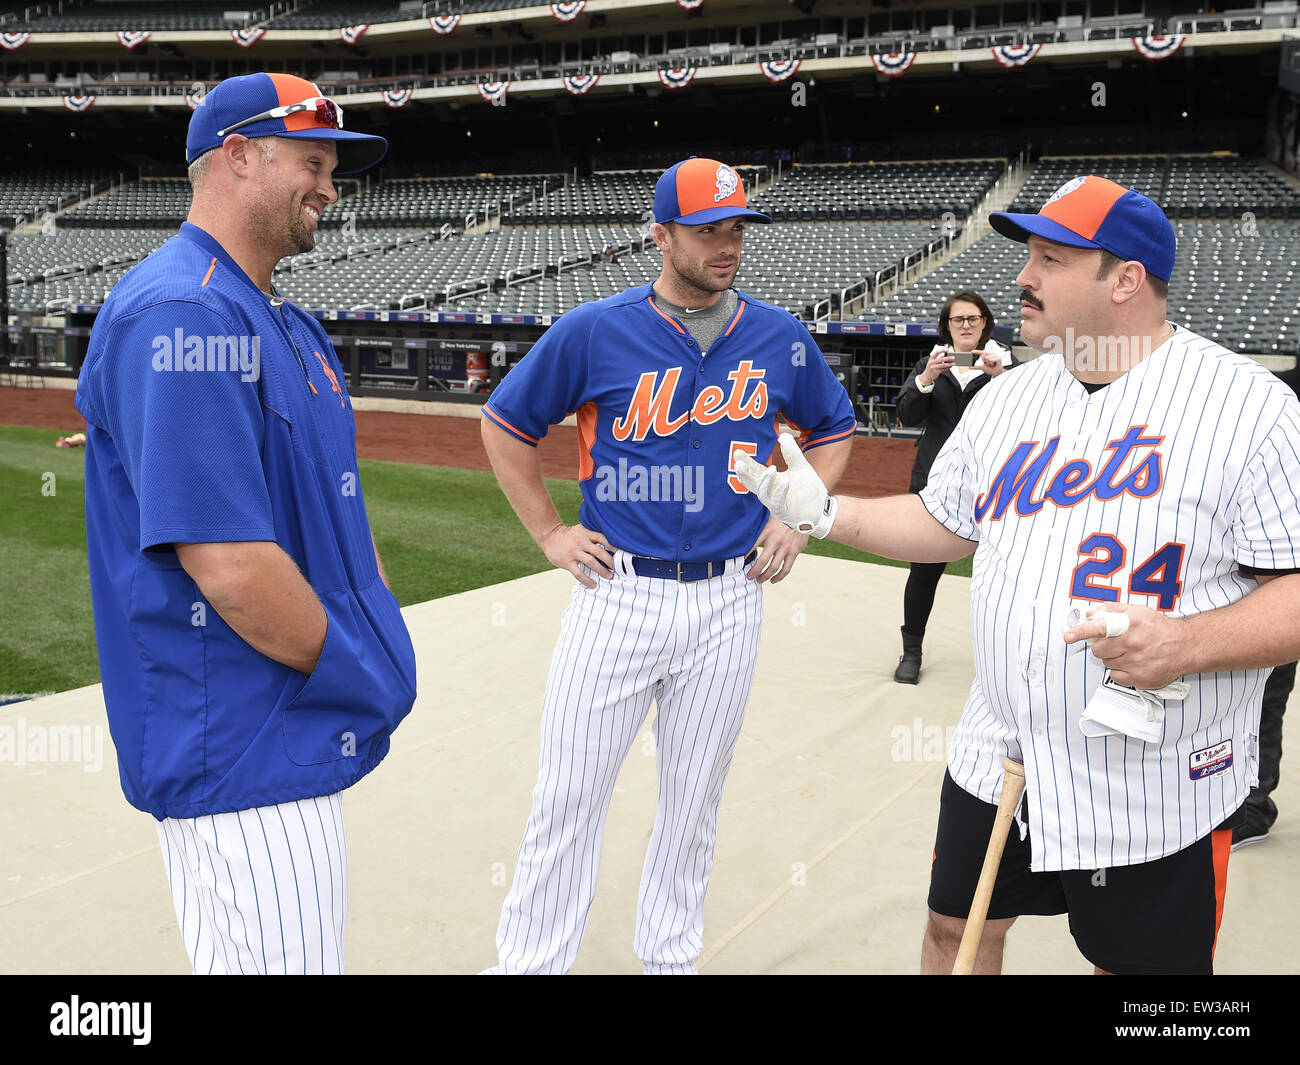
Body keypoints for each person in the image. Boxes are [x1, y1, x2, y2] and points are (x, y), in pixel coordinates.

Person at [733, 175, 1300, 975]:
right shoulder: (1008, 400)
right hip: (1000, 749)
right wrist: (826, 511)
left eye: (1050, 258)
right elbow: (945, 521)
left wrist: (1186, 642)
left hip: (1155, 777)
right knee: (951, 937)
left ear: (1125, 279)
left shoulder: (1250, 407)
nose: (1023, 278)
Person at [74, 73, 417, 974]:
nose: (330, 188)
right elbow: (228, 564)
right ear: (237, 157)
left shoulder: (278, 316)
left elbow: (339, 504)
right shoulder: (182, 312)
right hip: (240, 743)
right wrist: (358, 668)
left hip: (278, 731)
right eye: (312, 161)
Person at [479, 156, 856, 974]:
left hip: (729, 598)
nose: (727, 244)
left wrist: (802, 518)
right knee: (569, 800)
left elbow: (832, 428)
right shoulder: (595, 329)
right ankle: (528, 965)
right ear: (661, 234)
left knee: (693, 807)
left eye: (736, 228)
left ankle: (670, 960)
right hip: (618, 594)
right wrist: (548, 533)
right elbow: (506, 423)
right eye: (707, 228)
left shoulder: (778, 335)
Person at [892, 289, 1016, 683]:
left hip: (994, 486)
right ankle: (911, 651)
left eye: (973, 319)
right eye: (957, 320)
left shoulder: (1007, 363)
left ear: (985, 324)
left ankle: (1002, 660)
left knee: (1002, 576)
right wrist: (927, 377)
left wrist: (1002, 377)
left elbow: (1027, 419)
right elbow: (907, 414)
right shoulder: (931, 362)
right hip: (936, 484)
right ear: (946, 326)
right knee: (924, 571)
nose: (965, 326)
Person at [1233, 361, 1300, 850]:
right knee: (1261, 692)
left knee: (1268, 694)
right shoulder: (1275, 394)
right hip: (1275, 566)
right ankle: (1252, 803)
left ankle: (1254, 804)